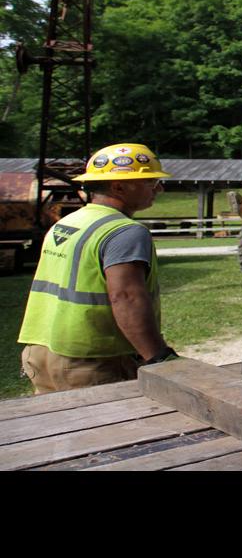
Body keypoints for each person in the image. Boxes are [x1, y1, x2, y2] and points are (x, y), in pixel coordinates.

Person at [17, 142, 178, 394]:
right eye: (150, 181)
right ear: (119, 186)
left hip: (42, 352)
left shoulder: (69, 223)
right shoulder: (124, 231)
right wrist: (157, 357)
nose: (159, 188)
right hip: (93, 359)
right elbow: (126, 297)